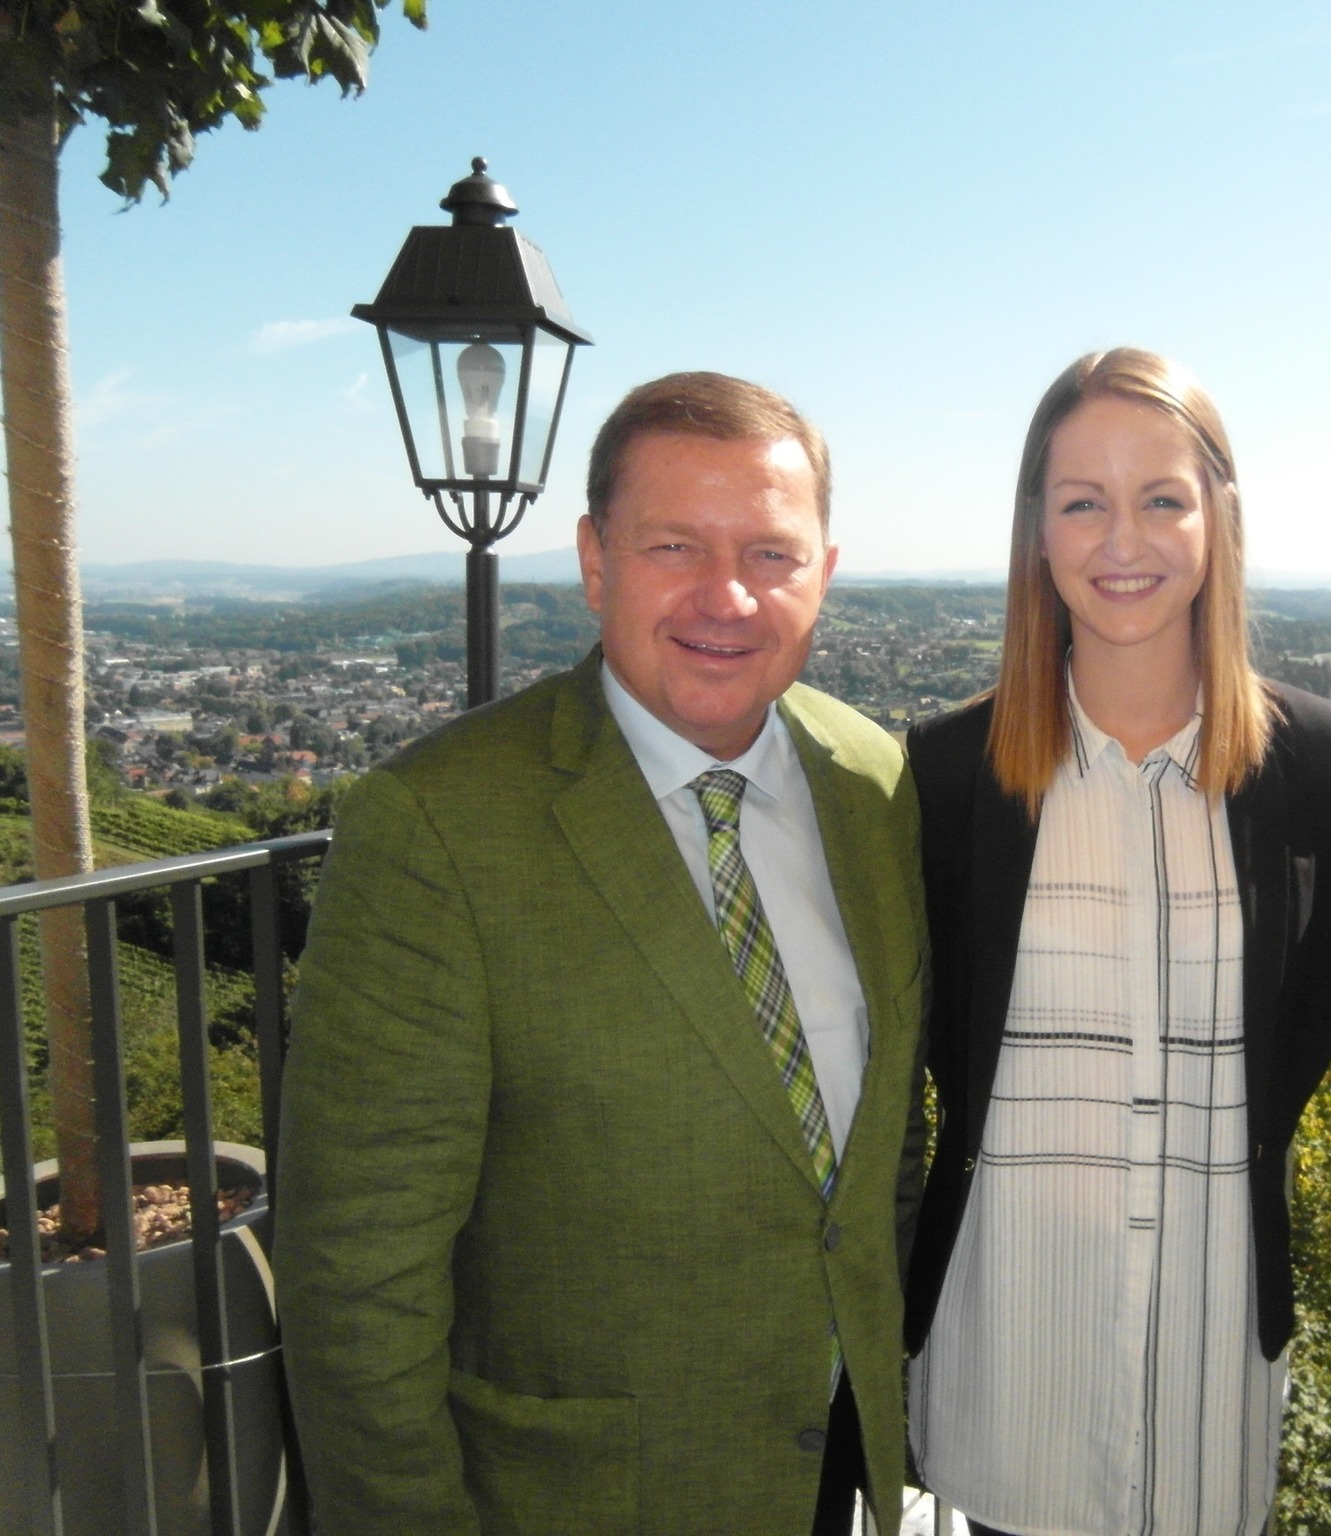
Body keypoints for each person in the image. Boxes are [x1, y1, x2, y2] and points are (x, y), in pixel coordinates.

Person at [274, 372, 928, 1535]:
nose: (725, 596)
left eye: (772, 555)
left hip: (841, 1467)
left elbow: (885, 1156)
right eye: (673, 544)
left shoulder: (873, 782)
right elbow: (357, 1281)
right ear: (593, 561)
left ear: (824, 573)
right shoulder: (437, 823)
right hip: (579, 1498)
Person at [904, 348, 1331, 1535]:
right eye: (1081, 502)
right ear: (1036, 533)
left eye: (1160, 497)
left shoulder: (1311, 763)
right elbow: (931, 1042)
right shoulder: (947, 774)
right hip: (1012, 1343)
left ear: (1217, 517)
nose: (1123, 540)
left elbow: (1303, 1030)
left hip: (1215, 1351)